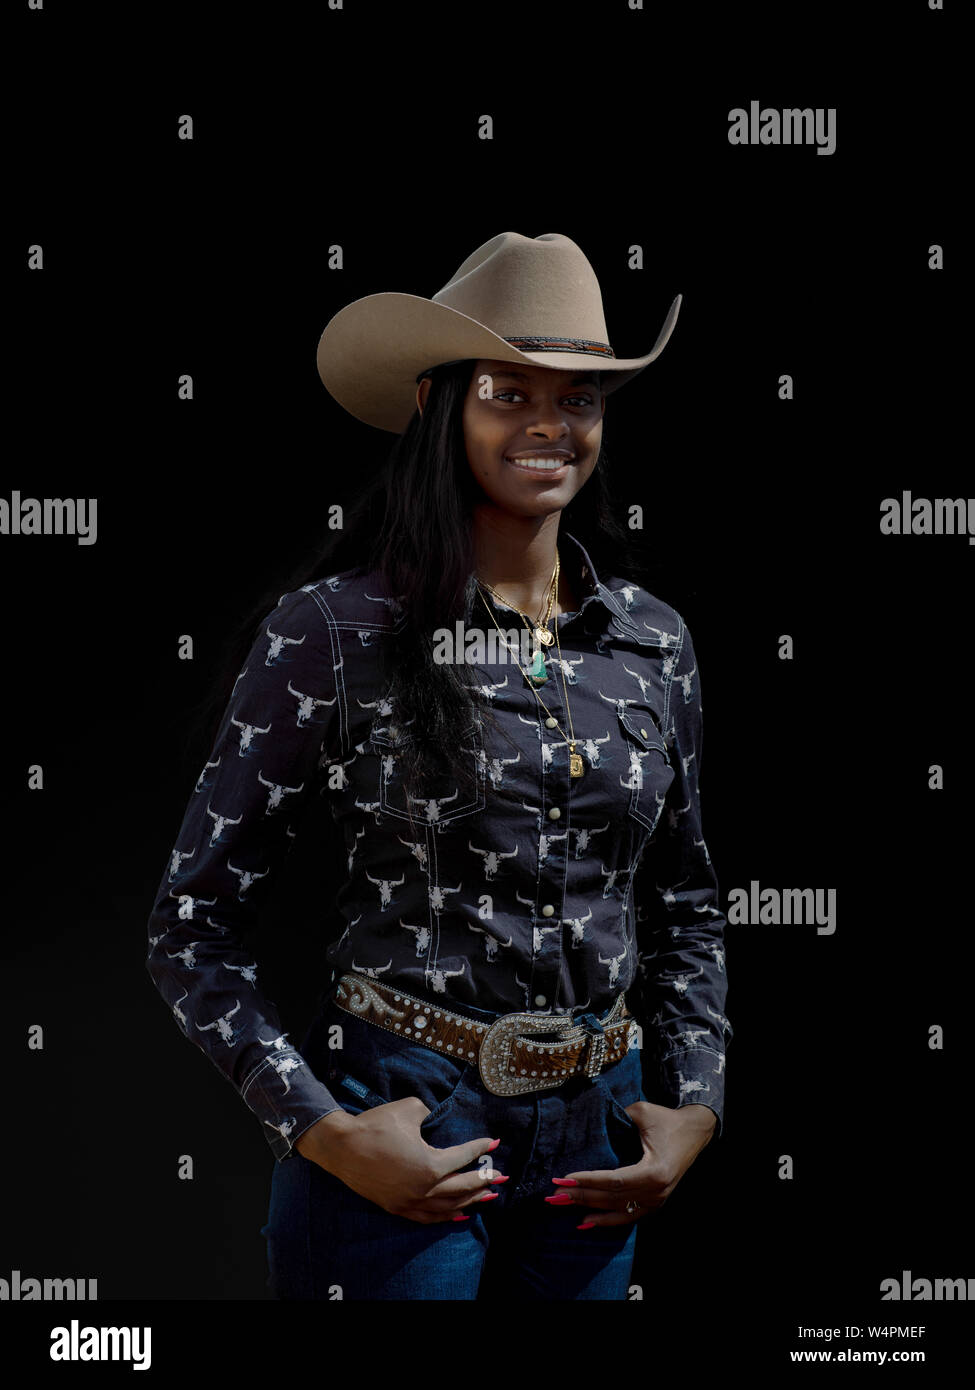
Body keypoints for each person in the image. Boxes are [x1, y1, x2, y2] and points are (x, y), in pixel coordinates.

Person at [145, 231, 732, 1301]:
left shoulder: (655, 643)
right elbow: (190, 926)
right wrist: (322, 1132)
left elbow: (686, 899)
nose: (551, 424)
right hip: (406, 1126)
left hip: (598, 1151)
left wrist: (695, 1103)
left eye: (582, 398)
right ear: (439, 403)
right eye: (511, 391)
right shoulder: (331, 632)